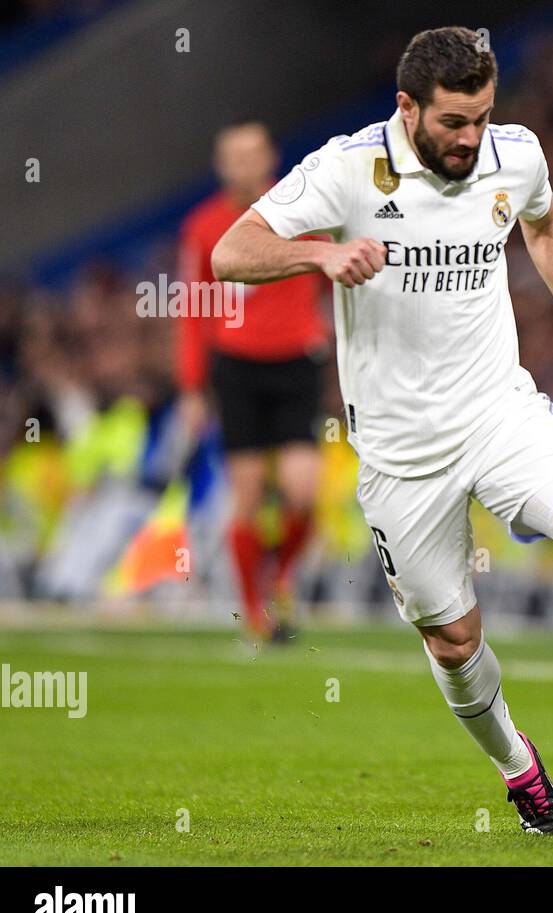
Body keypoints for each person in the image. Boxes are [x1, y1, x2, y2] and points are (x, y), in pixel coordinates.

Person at [211, 27, 553, 835]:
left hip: (496, 408)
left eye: (481, 117)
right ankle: (521, 772)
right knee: (453, 640)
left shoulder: (515, 154)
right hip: (401, 452)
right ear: (408, 108)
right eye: (452, 123)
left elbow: (543, 226)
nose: (470, 139)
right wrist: (319, 260)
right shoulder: (349, 167)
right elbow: (234, 251)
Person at [176, 120, 329, 644]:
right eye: (233, 156)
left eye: (252, 154)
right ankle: (254, 615)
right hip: (236, 368)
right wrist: (193, 387)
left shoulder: (302, 211)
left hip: (295, 363)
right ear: (221, 165)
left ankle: (280, 575)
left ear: (271, 157)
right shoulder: (202, 227)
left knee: (303, 490)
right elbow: (194, 310)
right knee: (243, 494)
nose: (243, 165)